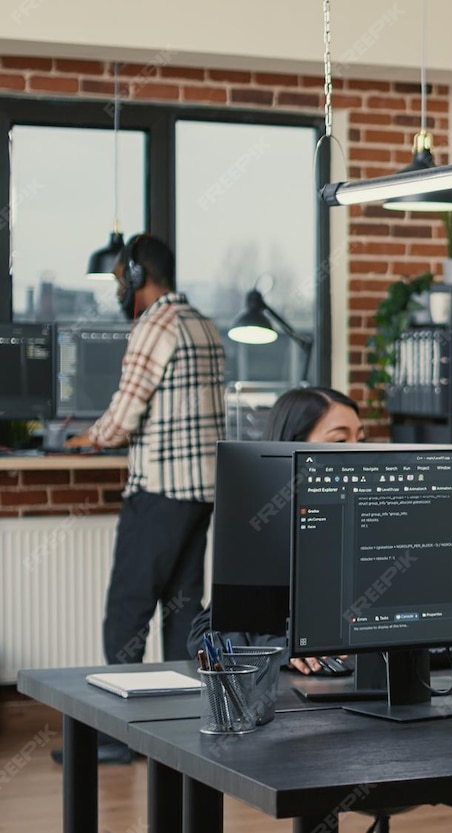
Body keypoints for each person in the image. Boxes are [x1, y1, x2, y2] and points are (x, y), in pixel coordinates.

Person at [61, 233, 226, 764]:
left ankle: (120, 734)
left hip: (158, 493)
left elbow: (123, 417)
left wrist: (87, 436)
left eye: (117, 279)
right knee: (182, 613)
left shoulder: (154, 325)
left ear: (136, 276)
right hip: (201, 493)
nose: (116, 289)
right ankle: (181, 726)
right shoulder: (205, 325)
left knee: (126, 613)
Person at [188, 387, 364, 675]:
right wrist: (285, 649)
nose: (359, 451)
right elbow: (206, 635)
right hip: (303, 698)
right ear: (292, 448)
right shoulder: (268, 529)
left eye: (362, 439)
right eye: (342, 440)